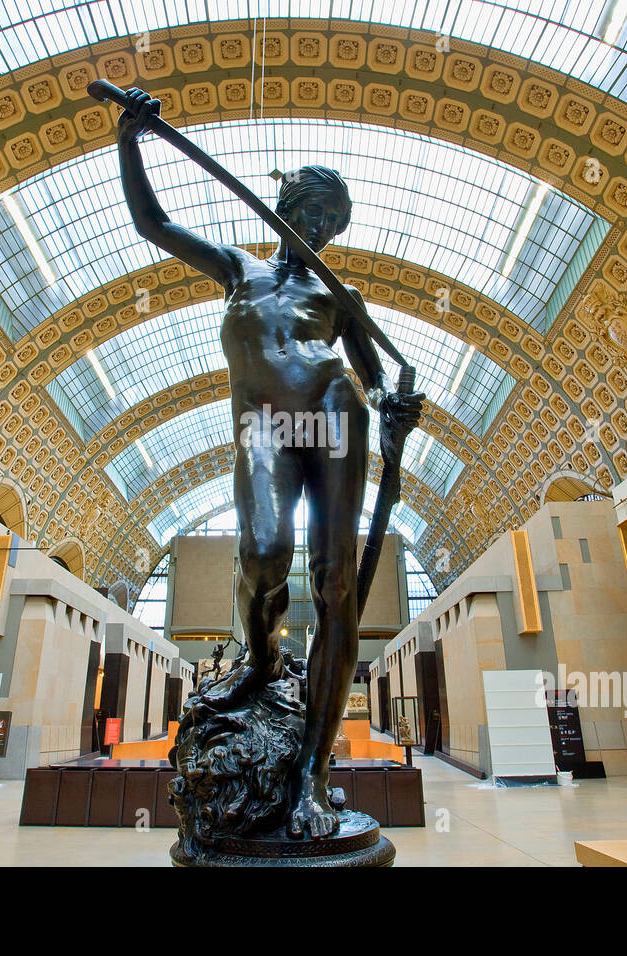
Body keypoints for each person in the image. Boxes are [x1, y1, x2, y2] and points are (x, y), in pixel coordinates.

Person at [116, 89, 424, 839]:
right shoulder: (237, 269)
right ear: (284, 204)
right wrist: (131, 138)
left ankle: (313, 778)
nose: (318, 228)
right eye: (310, 212)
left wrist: (392, 406)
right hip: (262, 424)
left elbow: (378, 376)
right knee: (260, 551)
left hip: (331, 409)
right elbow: (151, 224)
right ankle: (260, 661)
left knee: (336, 578)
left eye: (331, 223)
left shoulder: (340, 294)